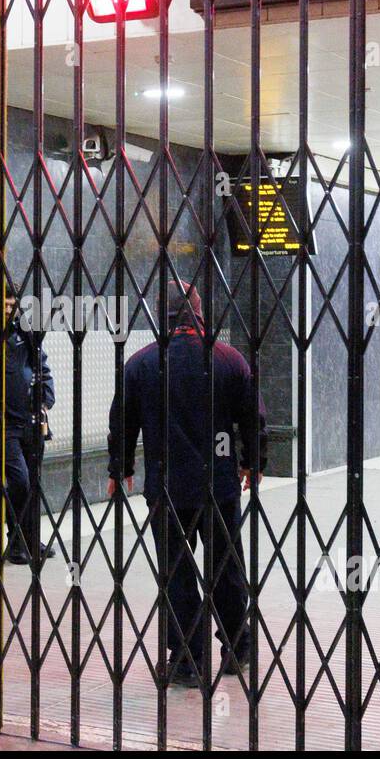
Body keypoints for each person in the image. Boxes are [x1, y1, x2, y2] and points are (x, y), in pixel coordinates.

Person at [106, 282, 267, 688]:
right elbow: (253, 415)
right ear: (199, 312)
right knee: (226, 566)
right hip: (220, 483)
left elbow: (122, 421)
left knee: (175, 574)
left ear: (160, 315)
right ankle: (238, 646)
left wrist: (119, 467)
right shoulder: (228, 359)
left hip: (168, 486)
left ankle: (188, 658)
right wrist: (253, 462)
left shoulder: (141, 364)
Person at [2, 285, 56, 566]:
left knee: (31, 482)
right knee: (20, 481)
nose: (9, 307)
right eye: (5, 301)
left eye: (12, 302)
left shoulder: (26, 332)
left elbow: (42, 367)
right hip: (6, 424)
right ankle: (17, 539)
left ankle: (28, 540)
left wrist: (45, 399)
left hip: (32, 420)